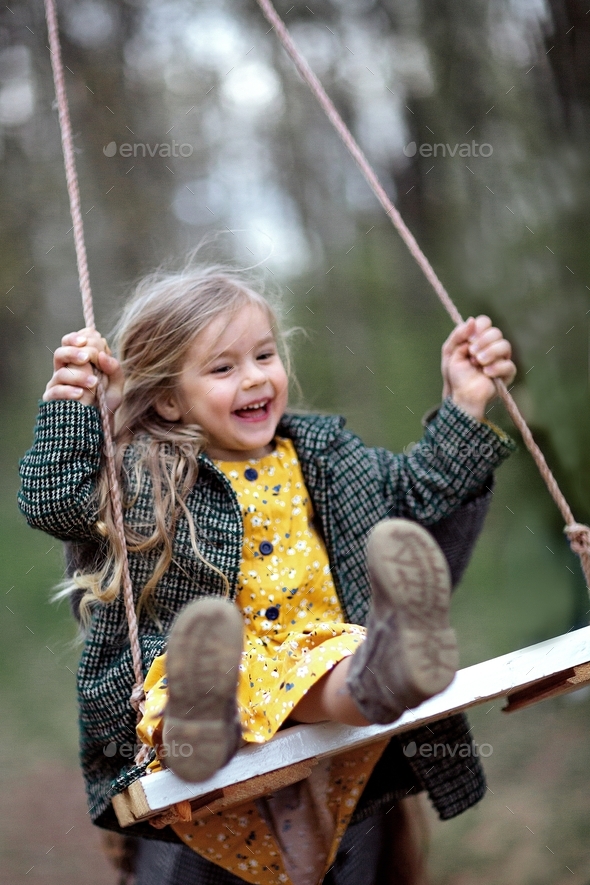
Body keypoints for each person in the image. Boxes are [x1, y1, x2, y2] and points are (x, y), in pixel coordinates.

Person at [18, 265, 515, 885]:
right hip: (207, 695)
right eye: (223, 368)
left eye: (264, 355)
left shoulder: (327, 459)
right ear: (170, 397)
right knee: (201, 663)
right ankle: (197, 735)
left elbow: (421, 492)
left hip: (324, 707)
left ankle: (384, 675)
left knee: (337, 652)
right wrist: (70, 415)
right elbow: (57, 502)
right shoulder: (148, 478)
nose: (254, 377)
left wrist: (464, 402)